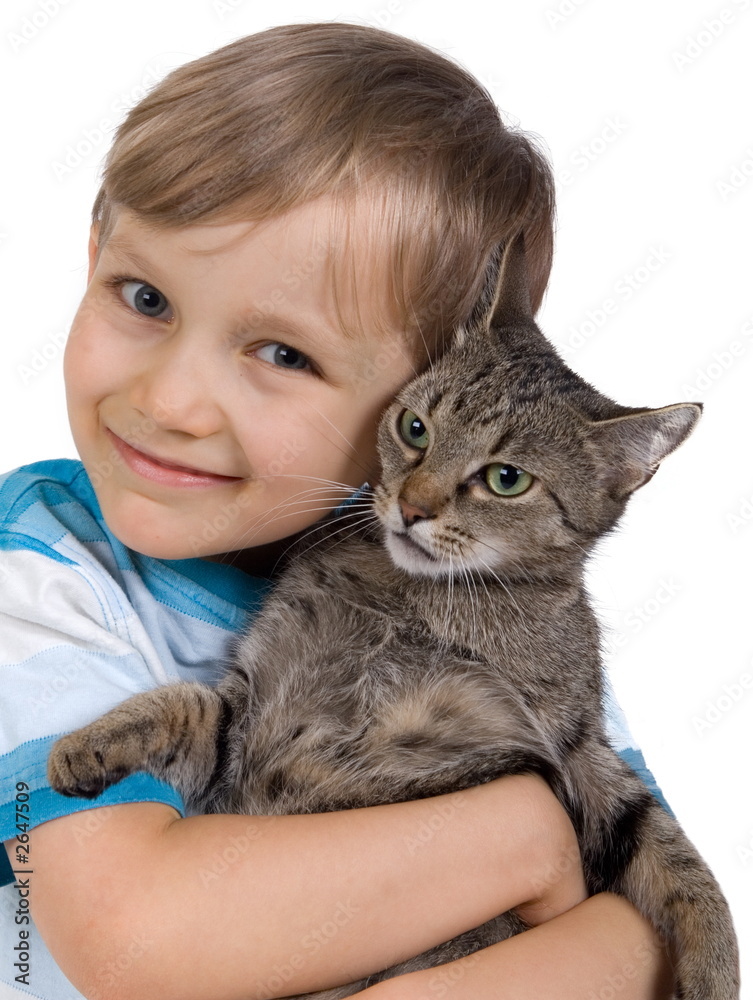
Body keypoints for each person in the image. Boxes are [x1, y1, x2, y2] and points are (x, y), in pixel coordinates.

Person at [0, 22, 674, 1000]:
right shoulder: (40, 569)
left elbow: (648, 944)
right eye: (143, 296)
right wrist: (520, 838)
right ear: (93, 248)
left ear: (427, 393)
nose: (168, 402)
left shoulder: (503, 610)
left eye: (284, 355)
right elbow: (133, 940)